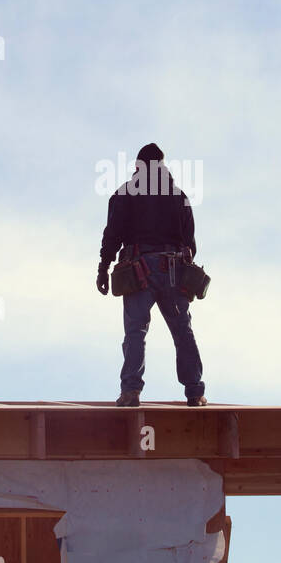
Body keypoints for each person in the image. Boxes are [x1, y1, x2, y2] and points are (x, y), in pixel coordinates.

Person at [96, 143, 206, 407]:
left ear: (138, 167)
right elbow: (191, 244)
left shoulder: (125, 194)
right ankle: (195, 393)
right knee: (183, 332)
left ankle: (131, 392)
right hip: (173, 271)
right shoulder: (179, 197)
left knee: (136, 331)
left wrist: (103, 267)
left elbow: (112, 235)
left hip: (138, 272)